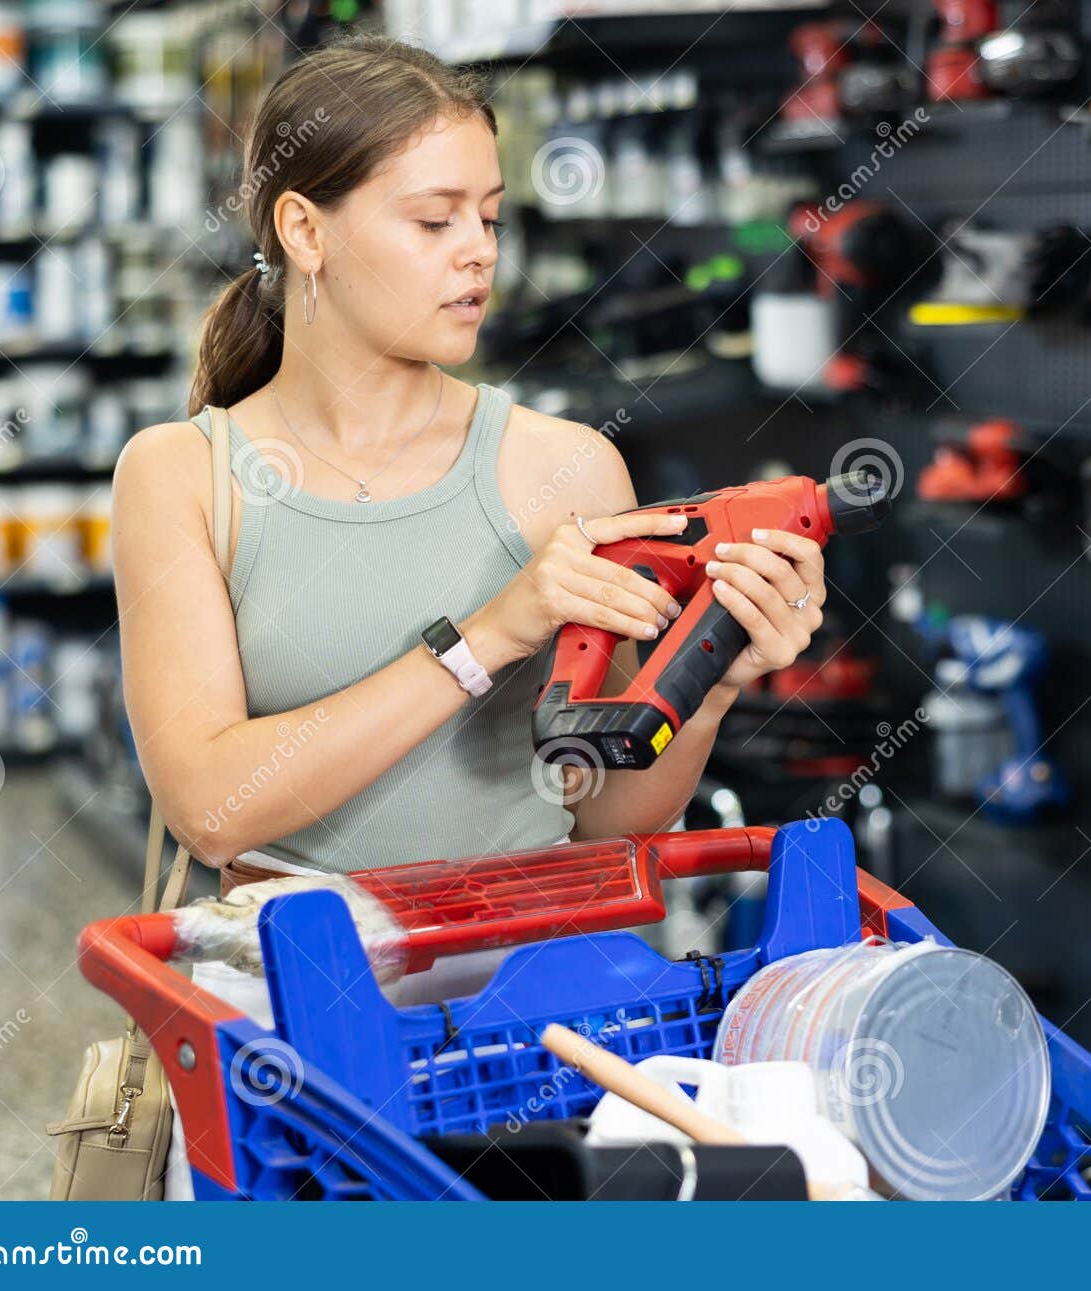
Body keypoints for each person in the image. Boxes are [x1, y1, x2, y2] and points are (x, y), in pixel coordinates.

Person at [110, 36, 828, 1198]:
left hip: (548, 1031)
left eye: (490, 217)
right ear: (305, 231)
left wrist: (713, 677)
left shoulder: (566, 469)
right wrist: (485, 637)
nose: (479, 254)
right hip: (306, 1039)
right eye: (434, 219)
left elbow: (609, 819)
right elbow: (208, 803)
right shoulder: (184, 475)